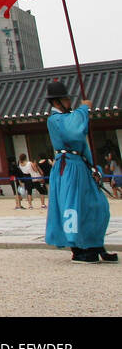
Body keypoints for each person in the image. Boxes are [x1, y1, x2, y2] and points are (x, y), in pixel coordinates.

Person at [44, 81, 116, 263]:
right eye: (67, 99)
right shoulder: (55, 119)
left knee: (97, 206)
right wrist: (84, 109)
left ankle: (95, 243)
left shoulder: (68, 117)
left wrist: (93, 168)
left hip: (81, 165)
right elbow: (74, 132)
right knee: (74, 206)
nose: (70, 102)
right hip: (68, 168)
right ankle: (79, 248)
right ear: (57, 102)